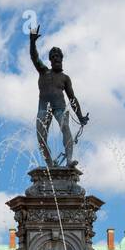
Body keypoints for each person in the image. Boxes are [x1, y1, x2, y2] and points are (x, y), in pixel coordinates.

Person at [29, 26, 87, 167]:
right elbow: (34, 57)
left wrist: (80, 116)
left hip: (60, 108)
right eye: (53, 57)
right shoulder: (43, 71)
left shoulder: (65, 78)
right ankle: (50, 164)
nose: (56, 58)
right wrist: (32, 42)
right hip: (44, 107)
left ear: (62, 58)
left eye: (58, 56)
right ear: (50, 60)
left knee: (65, 128)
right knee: (41, 137)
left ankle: (69, 160)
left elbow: (72, 99)